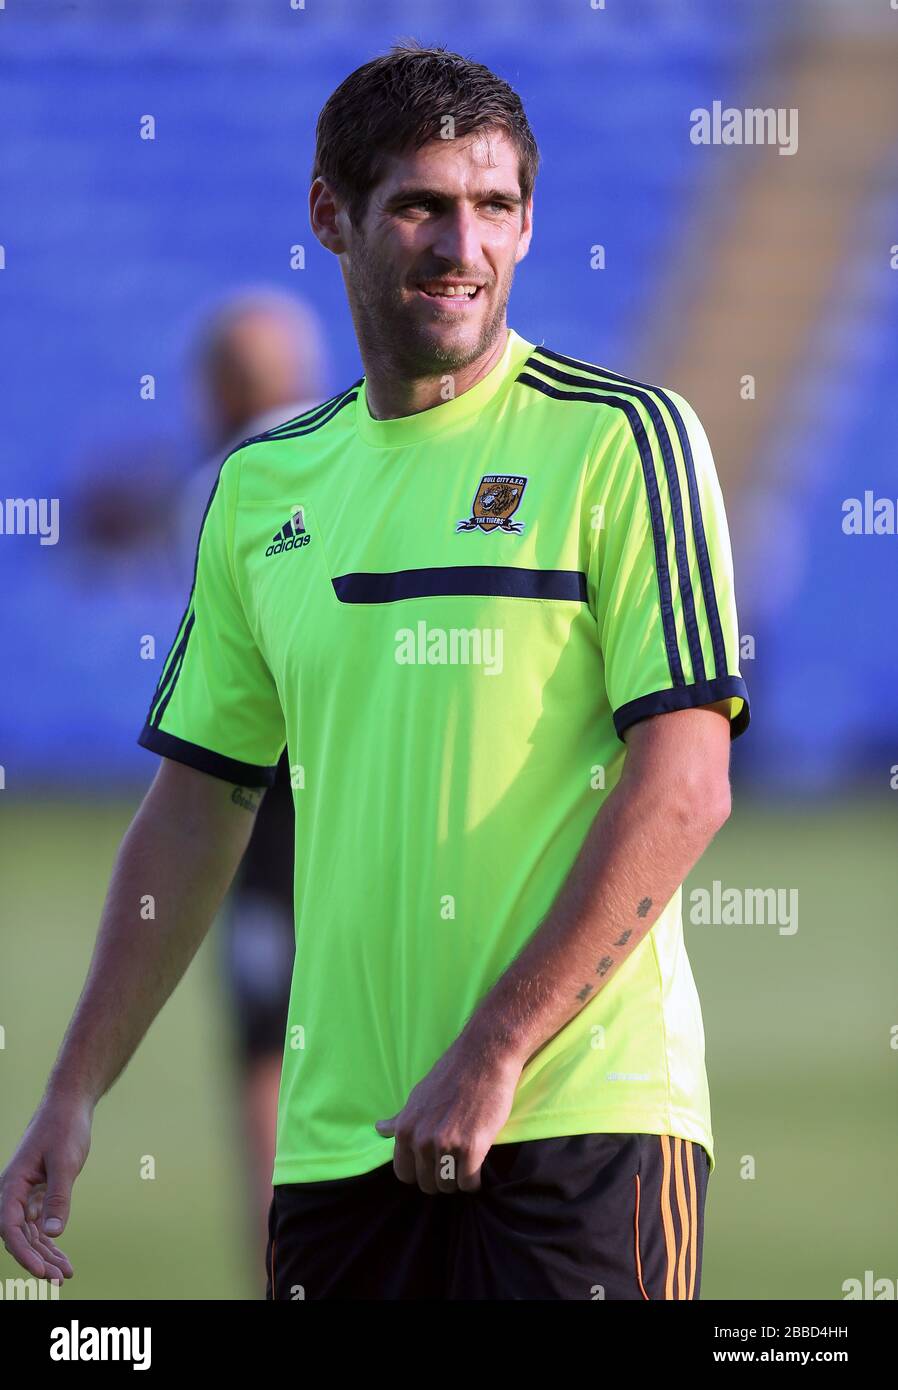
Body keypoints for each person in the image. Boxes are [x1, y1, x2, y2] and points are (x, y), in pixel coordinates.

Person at [0, 42, 750, 1301]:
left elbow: (685, 786)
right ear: (329, 216)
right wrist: (75, 1088)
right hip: (340, 1153)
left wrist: (495, 1049)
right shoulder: (261, 488)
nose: (464, 244)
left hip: (581, 1129)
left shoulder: (623, 441)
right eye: (421, 205)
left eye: (496, 206)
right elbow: (196, 808)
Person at [179, 291, 327, 1278]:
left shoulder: (228, 481)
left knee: (266, 1062)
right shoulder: (361, 449)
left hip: (268, 815)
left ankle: (285, 1270)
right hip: (379, 795)